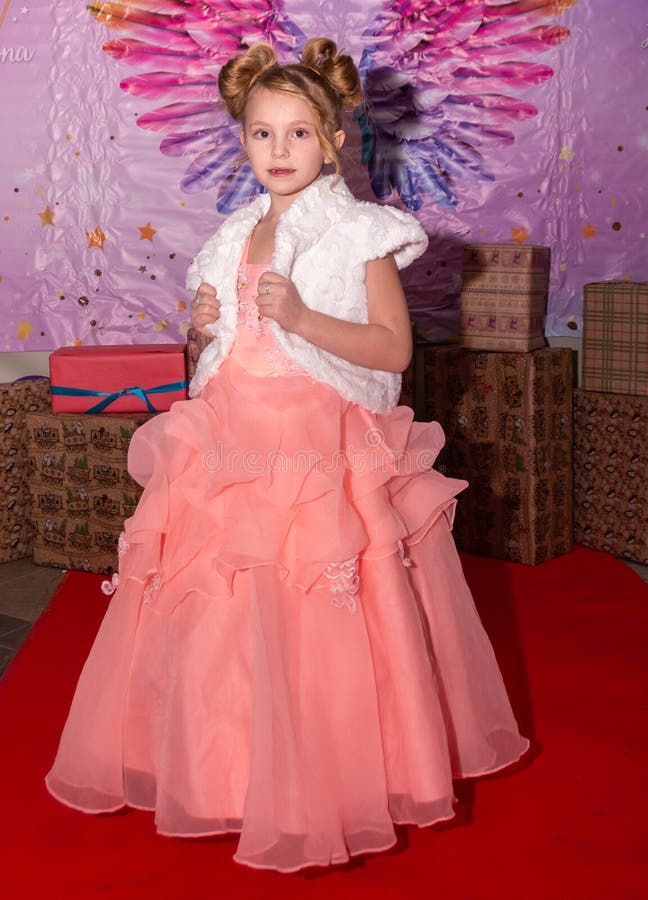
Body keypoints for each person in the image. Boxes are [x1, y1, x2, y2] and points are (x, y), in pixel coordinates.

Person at [46, 38, 529, 873]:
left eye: (299, 134)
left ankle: (328, 773)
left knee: (316, 621)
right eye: (262, 134)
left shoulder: (360, 235)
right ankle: (230, 771)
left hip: (313, 452)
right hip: (232, 445)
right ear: (242, 140)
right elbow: (227, 340)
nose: (279, 151)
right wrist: (205, 323)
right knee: (222, 615)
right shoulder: (232, 234)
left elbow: (389, 351)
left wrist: (302, 317)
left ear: (337, 137)